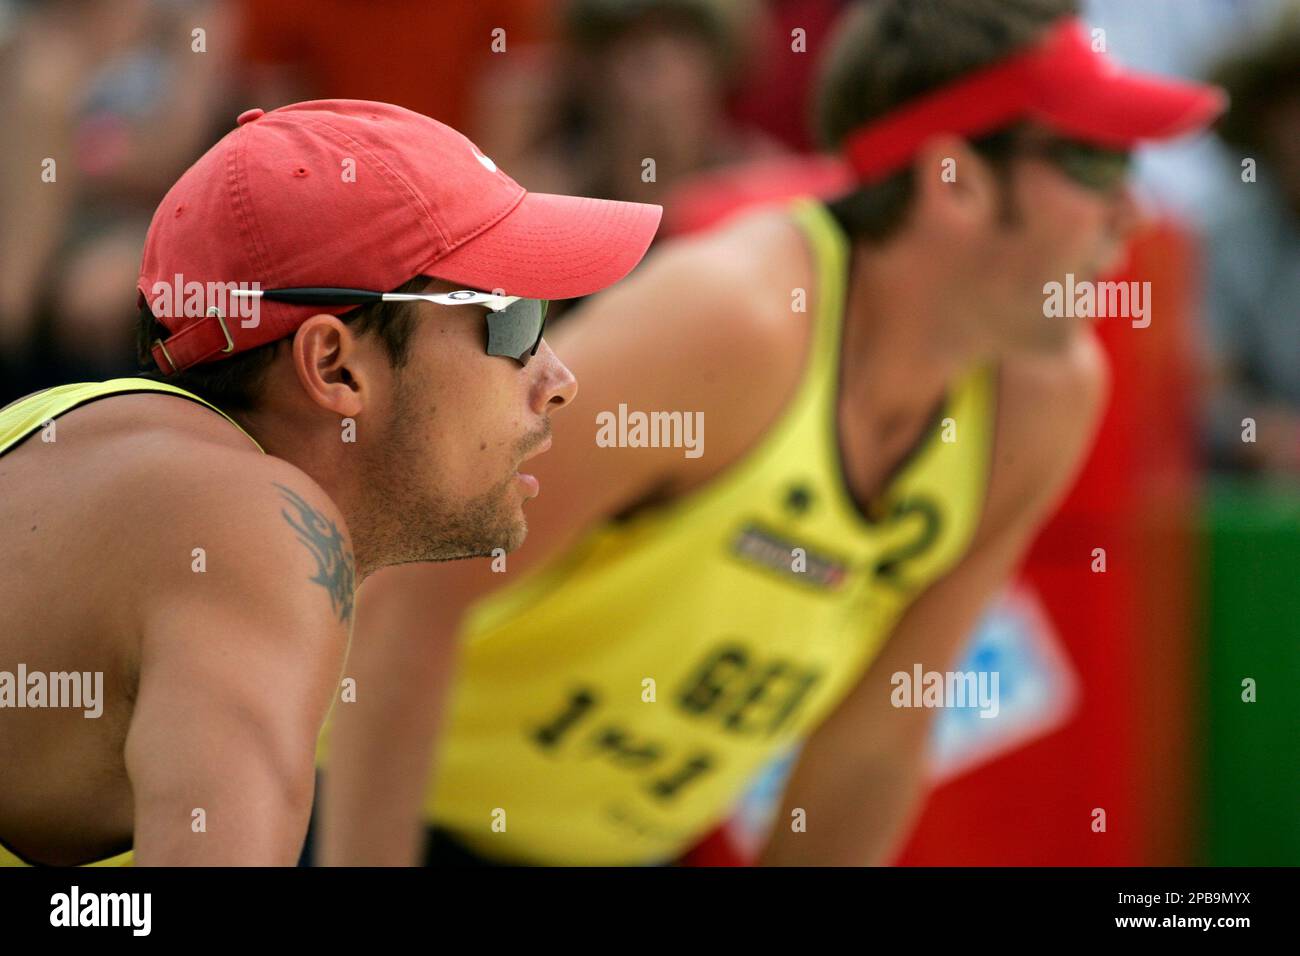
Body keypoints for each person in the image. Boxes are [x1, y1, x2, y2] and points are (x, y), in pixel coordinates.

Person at [320, 0, 1225, 866]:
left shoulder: (1046, 395)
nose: (1131, 214)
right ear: (954, 179)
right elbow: (409, 595)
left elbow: (878, 736)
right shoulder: (736, 321)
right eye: (1097, 166)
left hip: (613, 847)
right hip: (374, 809)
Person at [0, 98, 660, 866]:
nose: (559, 378)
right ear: (332, 366)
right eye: (514, 317)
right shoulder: (259, 532)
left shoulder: (62, 440)